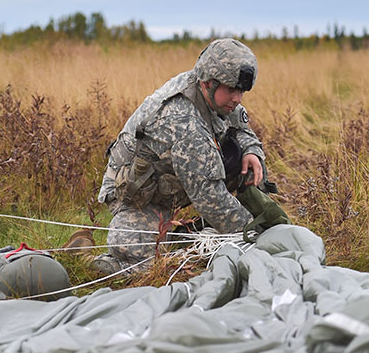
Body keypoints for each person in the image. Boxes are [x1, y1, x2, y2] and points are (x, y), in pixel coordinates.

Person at [94, 38, 282, 275]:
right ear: (208, 83)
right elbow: (210, 199)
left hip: (178, 178)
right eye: (232, 90)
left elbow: (242, 129)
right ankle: (124, 257)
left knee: (242, 157)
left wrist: (251, 151)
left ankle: (198, 230)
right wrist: (256, 237)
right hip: (139, 194)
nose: (238, 99)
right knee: (139, 257)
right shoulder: (184, 119)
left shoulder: (217, 98)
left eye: (242, 91)